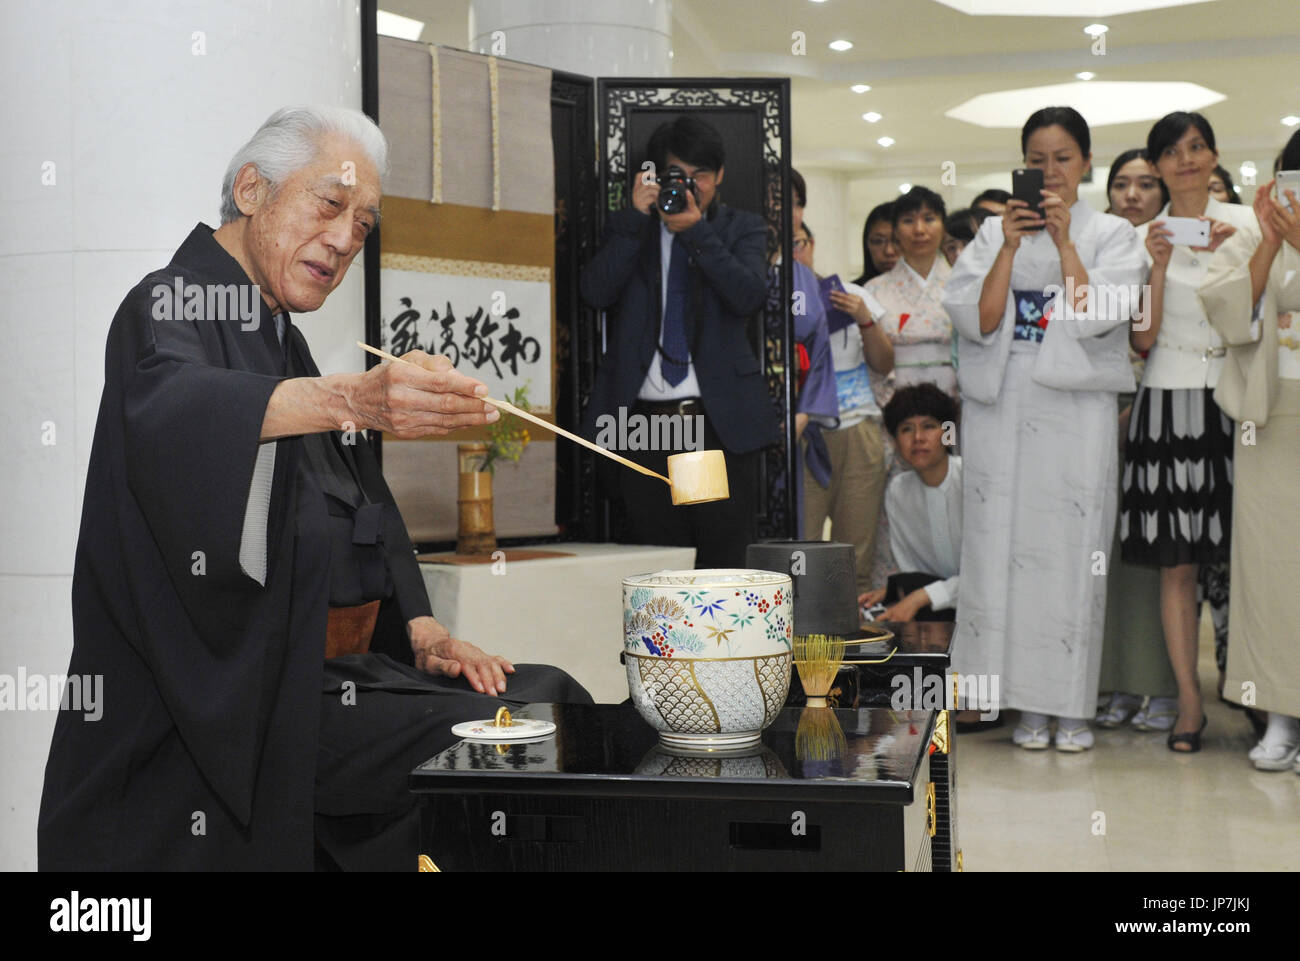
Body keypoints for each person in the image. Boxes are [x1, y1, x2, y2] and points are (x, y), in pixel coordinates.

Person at [38, 107, 591, 872]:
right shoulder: (168, 303)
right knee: (511, 744)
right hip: (211, 713)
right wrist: (354, 399)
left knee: (549, 700)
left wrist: (424, 632)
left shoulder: (285, 342)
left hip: (327, 679)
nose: (343, 240)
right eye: (329, 205)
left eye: (363, 225)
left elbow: (366, 511)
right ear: (251, 188)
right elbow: (175, 412)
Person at [942, 106, 1146, 753]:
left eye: (1062, 157)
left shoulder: (1114, 233)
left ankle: (1071, 706)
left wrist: (1063, 244)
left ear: (1086, 162)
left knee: (1069, 548)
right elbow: (977, 315)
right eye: (1036, 159)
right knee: (1001, 549)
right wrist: (1007, 244)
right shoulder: (992, 233)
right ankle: (1023, 702)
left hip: (1074, 404)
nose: (1048, 170)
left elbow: (1100, 314)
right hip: (1004, 398)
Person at [579, 115, 779, 566]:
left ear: (720, 175)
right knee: (653, 557)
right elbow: (594, 292)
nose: (690, 186)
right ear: (654, 175)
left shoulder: (737, 228)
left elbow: (748, 296)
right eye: (678, 175)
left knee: (713, 556)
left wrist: (696, 231)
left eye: (701, 175)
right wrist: (634, 219)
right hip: (643, 424)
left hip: (704, 424)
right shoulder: (632, 228)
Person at [1122, 111, 1261, 753]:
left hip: (1236, 401)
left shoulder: (1251, 227)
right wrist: (1155, 263)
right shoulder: (1144, 236)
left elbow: (1261, 312)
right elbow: (1142, 338)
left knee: (1244, 557)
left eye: (1197, 147)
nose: (1186, 160)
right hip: (1168, 399)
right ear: (1157, 166)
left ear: (1212, 156)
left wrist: (1239, 251)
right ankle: (1189, 702)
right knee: (1177, 564)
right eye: (1172, 152)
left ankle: (1258, 690)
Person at [1200, 132, 1300, 771]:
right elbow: (1228, 316)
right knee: (1270, 568)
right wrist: (1270, 241)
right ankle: (1282, 717)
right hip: (1273, 414)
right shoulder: (1251, 237)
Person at [1094, 148, 1178, 732]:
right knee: (1108, 557)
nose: (1131, 195)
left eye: (1145, 184)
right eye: (1121, 184)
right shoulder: (1096, 244)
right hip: (1097, 408)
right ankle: (1115, 683)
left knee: (1157, 558)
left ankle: (1163, 687)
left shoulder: (1176, 245)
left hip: (1166, 408)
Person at [798, 192, 893, 586]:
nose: (792, 254)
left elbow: (885, 364)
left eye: (798, 244)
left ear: (812, 246)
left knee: (855, 550)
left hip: (858, 431)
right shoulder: (767, 305)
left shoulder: (852, 295)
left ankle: (850, 637)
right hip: (805, 435)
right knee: (798, 547)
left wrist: (864, 319)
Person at [858, 384, 961, 625]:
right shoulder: (898, 491)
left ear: (948, 434)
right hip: (936, 615)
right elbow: (914, 574)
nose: (918, 438)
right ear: (895, 442)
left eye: (929, 426)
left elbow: (989, 574)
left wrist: (921, 597)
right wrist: (897, 591)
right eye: (906, 429)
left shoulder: (972, 482)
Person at [781, 170, 839, 537]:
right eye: (779, 200)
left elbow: (819, 353)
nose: (789, 212)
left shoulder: (801, 277)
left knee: (789, 527)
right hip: (733, 421)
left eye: (797, 204)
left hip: (793, 421)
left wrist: (801, 414)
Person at [851, 201, 900, 286]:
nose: (889, 251)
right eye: (878, 241)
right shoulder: (851, 293)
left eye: (897, 241)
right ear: (867, 244)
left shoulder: (927, 293)